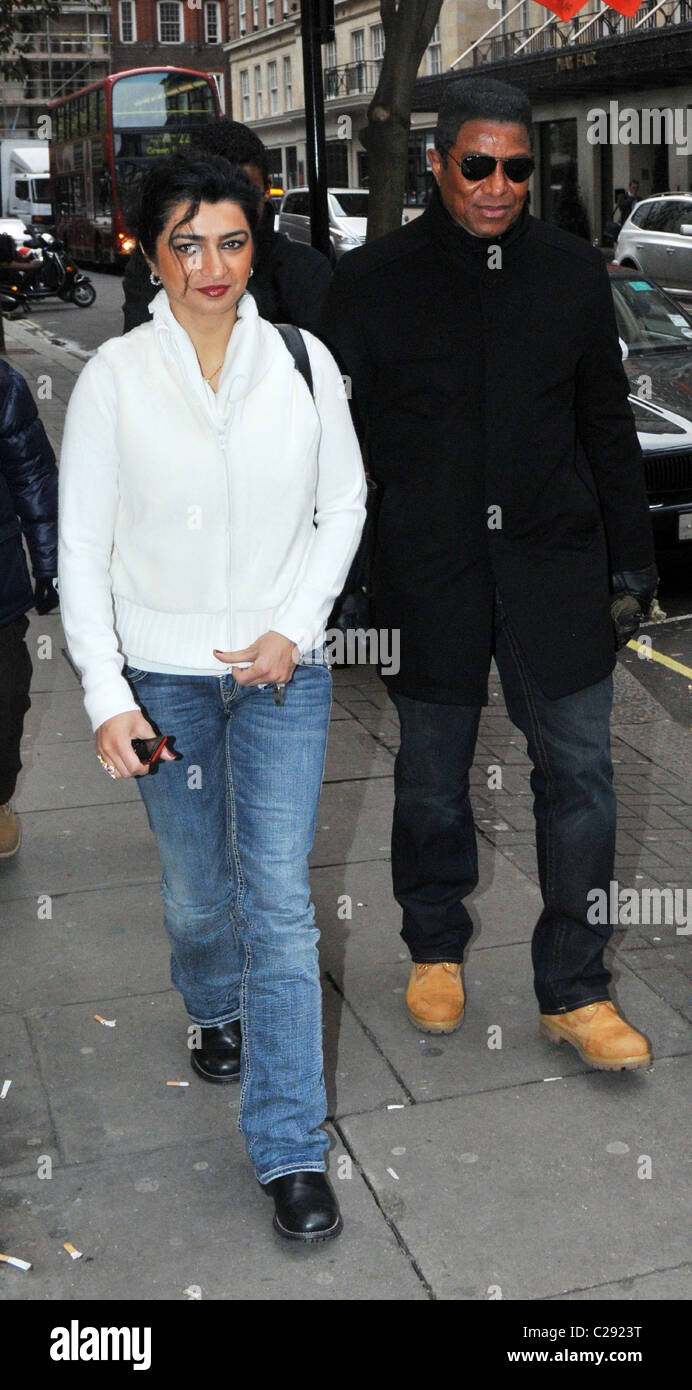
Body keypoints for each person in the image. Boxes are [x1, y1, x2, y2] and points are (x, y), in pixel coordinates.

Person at [319, 76, 658, 1072]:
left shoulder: (566, 272)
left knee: (583, 780)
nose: (498, 185)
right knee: (429, 778)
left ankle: (575, 986)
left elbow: (604, 423)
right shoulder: (374, 281)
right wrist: (344, 577)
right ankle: (432, 946)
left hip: (553, 569)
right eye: (478, 165)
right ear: (437, 164)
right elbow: (334, 445)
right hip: (428, 575)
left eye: (516, 166)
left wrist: (630, 561)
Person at [59, 155, 366, 1240]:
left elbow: (343, 502)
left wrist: (296, 625)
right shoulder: (114, 379)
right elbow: (81, 546)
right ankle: (209, 1005)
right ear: (149, 250)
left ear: (255, 249)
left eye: (231, 242)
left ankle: (288, 1147)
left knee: (278, 903)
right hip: (166, 682)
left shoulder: (300, 359)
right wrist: (108, 694)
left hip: (282, 675)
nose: (211, 267)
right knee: (199, 894)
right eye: (186, 243)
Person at [122, 120, 332, 334]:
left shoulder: (304, 270)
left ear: (266, 189)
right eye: (187, 248)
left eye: (232, 244)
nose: (215, 269)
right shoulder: (153, 267)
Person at [0, 358, 58, 857]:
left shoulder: (2, 385)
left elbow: (33, 478)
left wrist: (49, 565)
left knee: (5, 700)